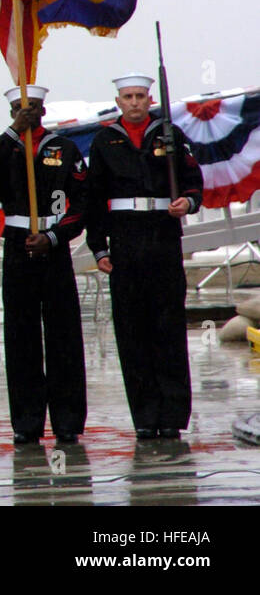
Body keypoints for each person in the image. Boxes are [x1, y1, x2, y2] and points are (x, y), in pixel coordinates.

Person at [86, 72, 203, 440]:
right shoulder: (105, 140)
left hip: (163, 234)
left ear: (151, 99)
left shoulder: (170, 135)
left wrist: (188, 202)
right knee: (132, 330)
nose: (135, 102)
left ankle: (172, 415)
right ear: (118, 101)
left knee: (167, 327)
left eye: (141, 96)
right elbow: (93, 198)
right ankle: (145, 415)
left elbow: (193, 180)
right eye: (128, 96)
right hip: (125, 238)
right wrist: (99, 246)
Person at [0, 85, 87, 445]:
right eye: (20, 109)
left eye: (34, 107)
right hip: (17, 245)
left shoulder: (64, 148)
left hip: (52, 246)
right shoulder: (3, 148)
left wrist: (55, 237)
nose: (28, 113)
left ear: (43, 109)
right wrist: (12, 133)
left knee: (63, 334)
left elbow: (81, 204)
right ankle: (26, 421)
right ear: (11, 112)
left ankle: (68, 421)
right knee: (21, 336)